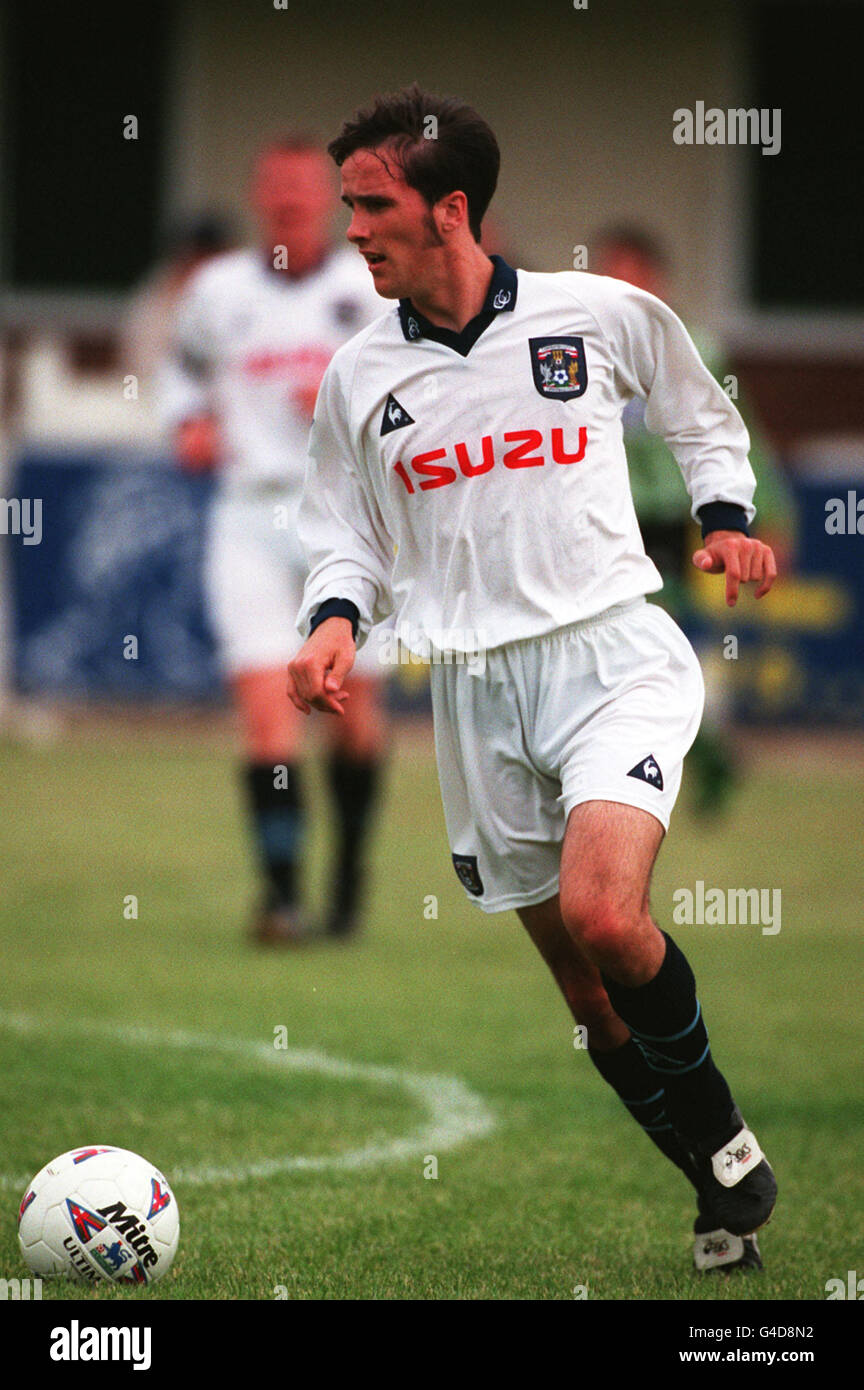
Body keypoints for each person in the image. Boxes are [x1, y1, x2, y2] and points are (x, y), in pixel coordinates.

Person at [287, 85, 778, 1273]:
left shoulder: (596, 313)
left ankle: (720, 1133)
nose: (351, 229)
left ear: (450, 211)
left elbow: (699, 412)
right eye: (347, 205)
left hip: (612, 654)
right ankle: (712, 1200)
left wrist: (723, 515)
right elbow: (341, 528)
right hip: (472, 689)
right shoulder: (360, 376)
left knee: (611, 915)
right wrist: (334, 618)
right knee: (588, 997)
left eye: (372, 205)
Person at [161, 138, 390, 945]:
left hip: (352, 520)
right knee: (268, 713)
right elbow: (182, 372)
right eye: (276, 189)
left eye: (303, 189)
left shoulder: (370, 287)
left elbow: (418, 387)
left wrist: (339, 400)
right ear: (260, 196)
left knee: (355, 711)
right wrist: (187, 420)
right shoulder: (216, 291)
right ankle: (283, 898)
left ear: (325, 199)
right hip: (250, 514)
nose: (289, 201)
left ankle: (348, 890)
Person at [593, 225, 797, 816]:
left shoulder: (691, 346)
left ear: (655, 280)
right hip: (601, 522)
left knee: (655, 638)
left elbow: (736, 435)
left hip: (663, 524)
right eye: (608, 271)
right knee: (635, 648)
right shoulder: (576, 347)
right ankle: (700, 754)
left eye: (629, 272)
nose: (618, 284)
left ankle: (699, 752)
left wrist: (767, 518)